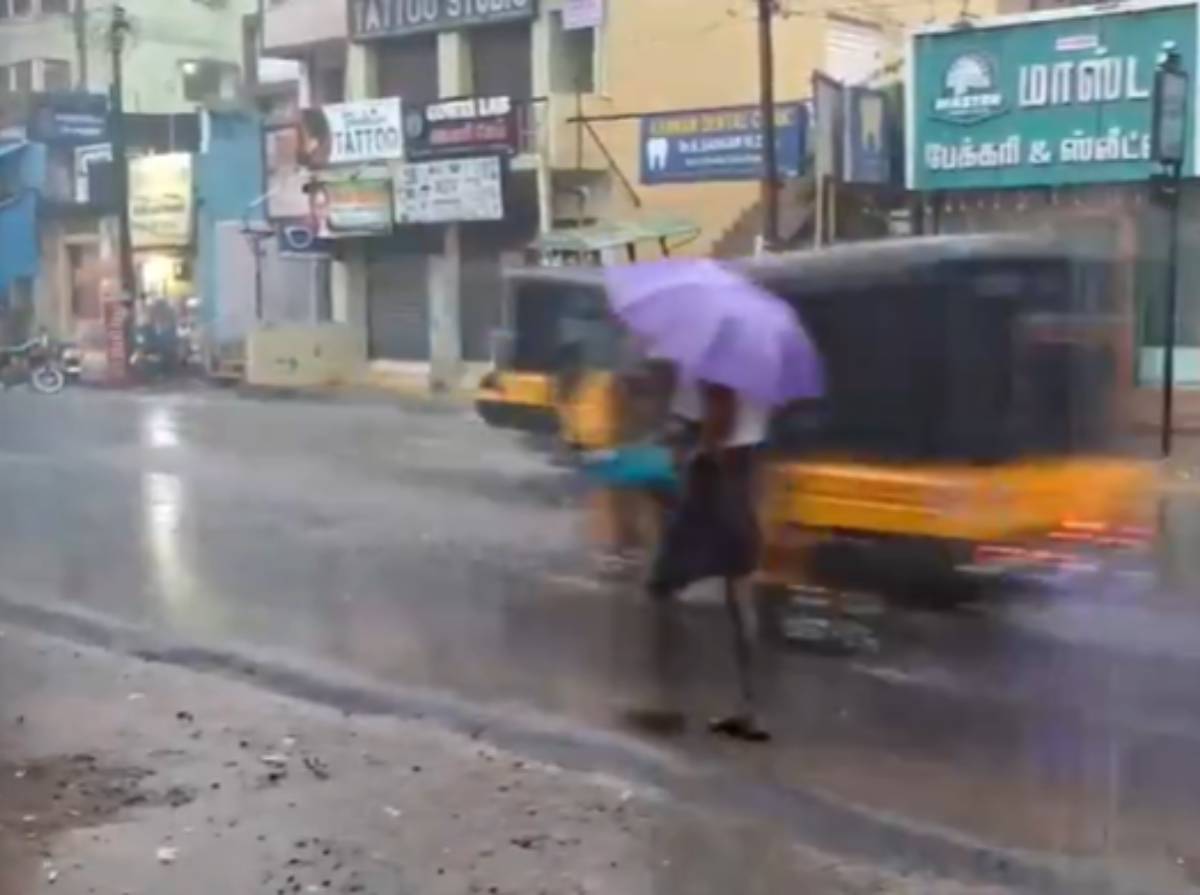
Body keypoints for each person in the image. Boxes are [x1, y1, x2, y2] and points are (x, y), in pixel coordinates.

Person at [649, 376, 771, 741]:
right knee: (740, 588)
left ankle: (669, 703)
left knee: (662, 586)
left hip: (713, 478)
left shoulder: (717, 360)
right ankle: (751, 708)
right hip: (745, 465)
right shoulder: (756, 359)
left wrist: (696, 451)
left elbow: (722, 410)